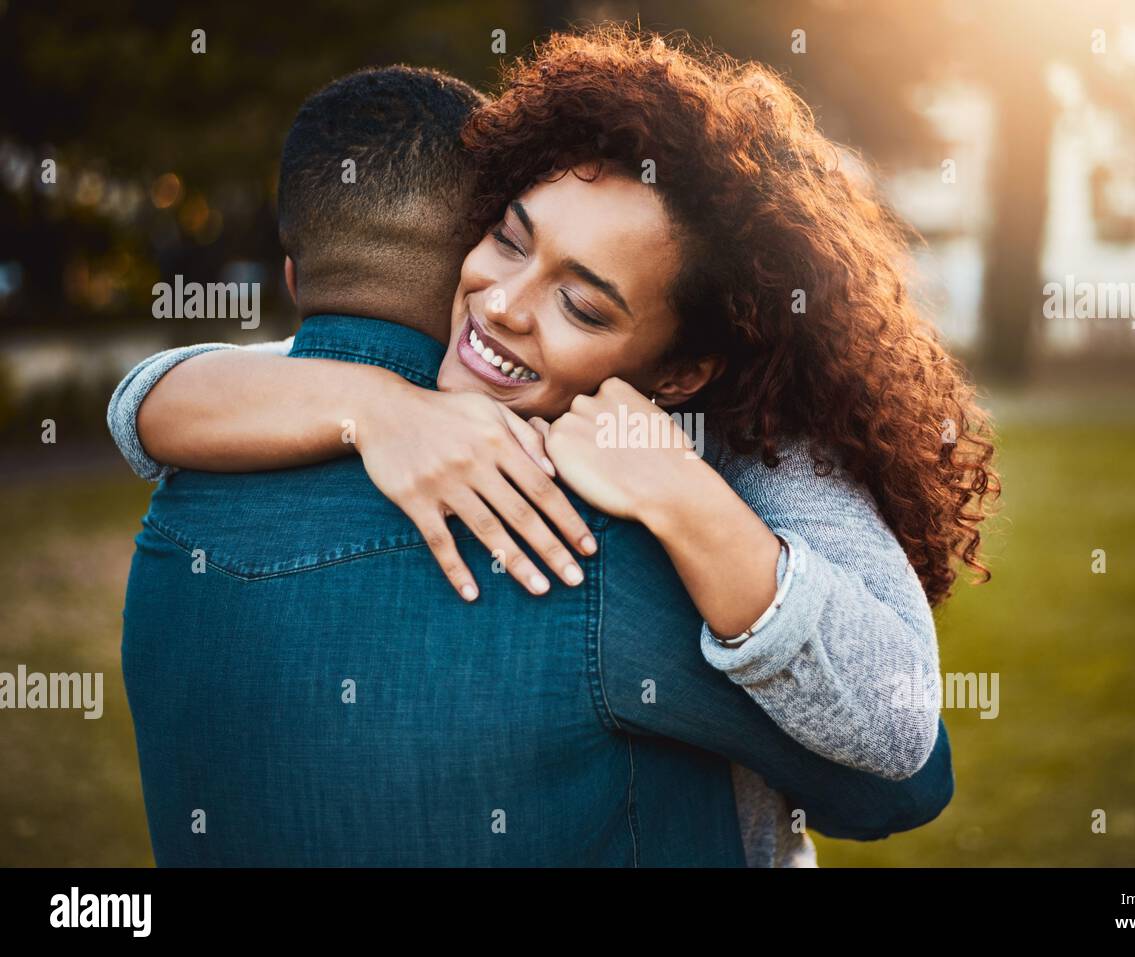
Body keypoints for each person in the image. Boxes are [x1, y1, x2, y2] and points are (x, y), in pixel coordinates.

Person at [117, 61, 955, 867]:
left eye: (581, 306)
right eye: (508, 239)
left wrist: (677, 488)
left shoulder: (753, 449)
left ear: (679, 374)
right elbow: (150, 401)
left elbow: (900, 739)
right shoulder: (440, 398)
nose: (505, 303)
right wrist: (377, 408)